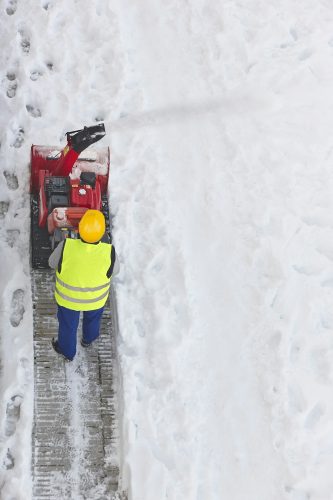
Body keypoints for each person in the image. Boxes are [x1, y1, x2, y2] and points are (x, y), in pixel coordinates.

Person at [48, 209, 119, 361]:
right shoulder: (109, 251)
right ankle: (88, 340)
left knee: (68, 326)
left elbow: (51, 263)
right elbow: (115, 271)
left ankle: (67, 351)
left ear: (79, 228)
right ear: (102, 233)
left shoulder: (66, 245)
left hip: (68, 300)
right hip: (95, 300)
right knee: (93, 320)